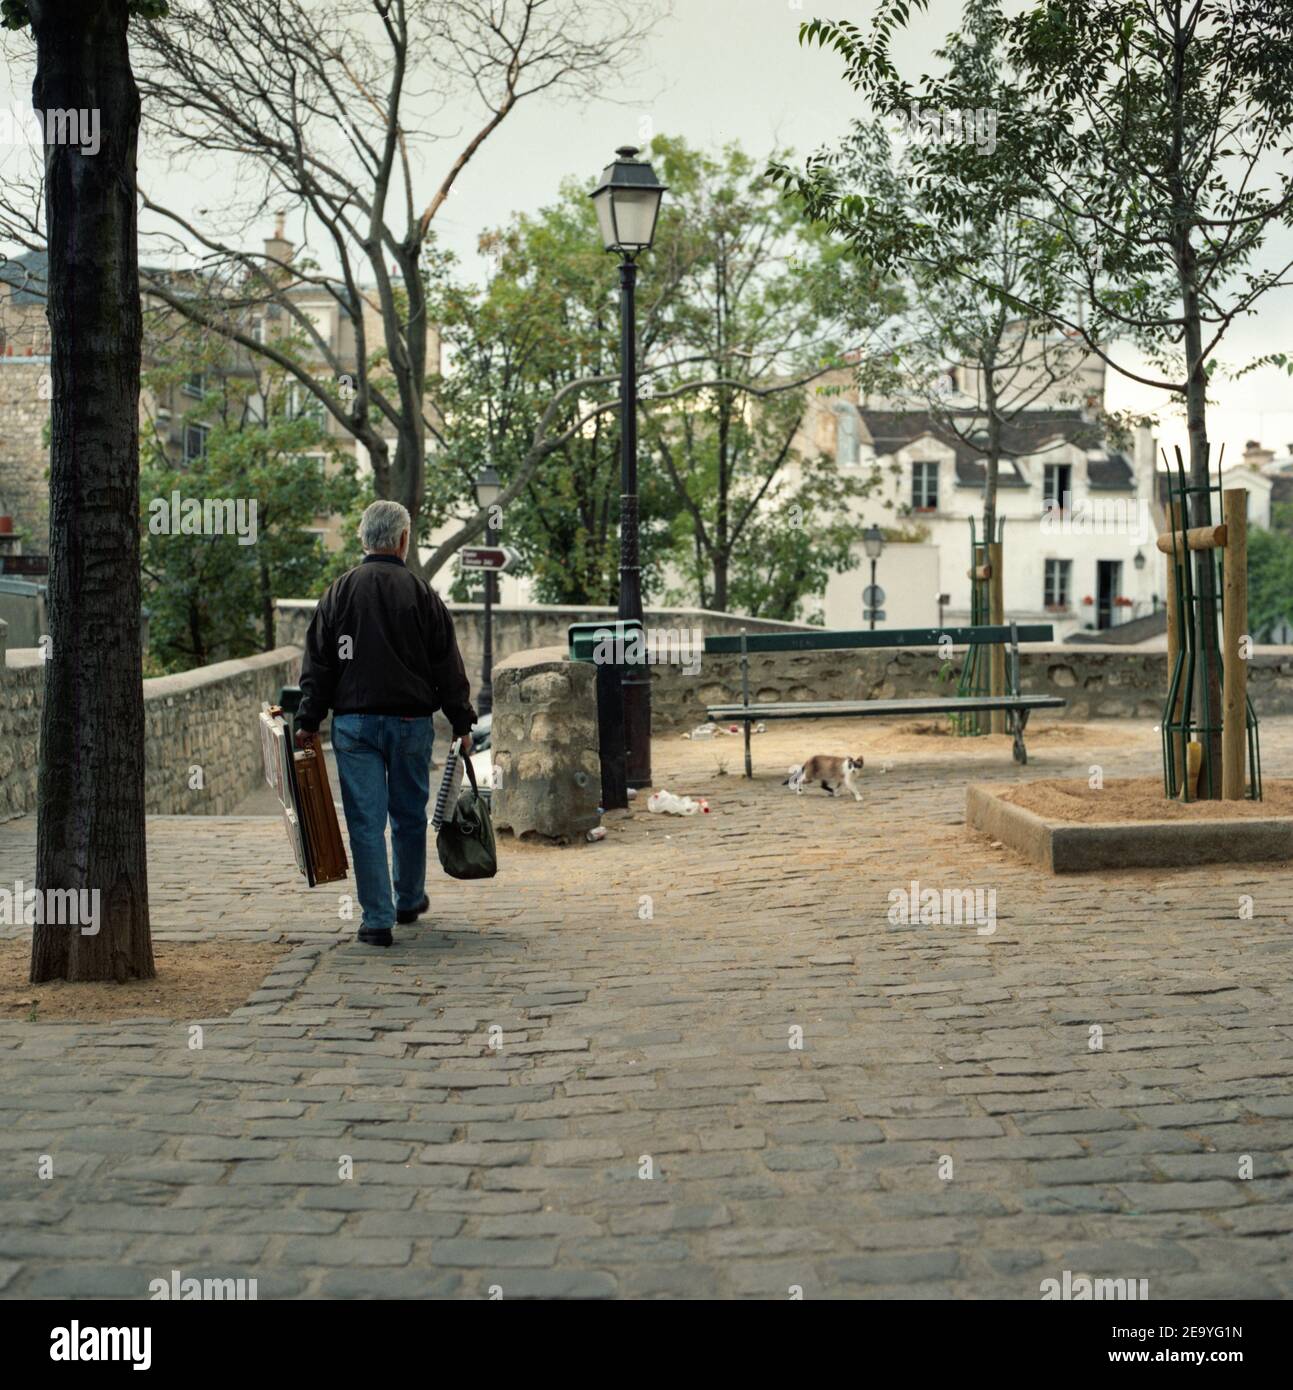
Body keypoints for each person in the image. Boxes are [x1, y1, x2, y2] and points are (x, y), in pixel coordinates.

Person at [295, 500, 476, 947]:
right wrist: (461, 722)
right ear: (402, 540)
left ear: (362, 539)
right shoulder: (421, 594)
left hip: (354, 726)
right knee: (409, 816)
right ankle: (409, 898)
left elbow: (318, 665)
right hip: (412, 722)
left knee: (365, 821)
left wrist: (308, 720)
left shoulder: (338, 593)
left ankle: (376, 920)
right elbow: (446, 665)